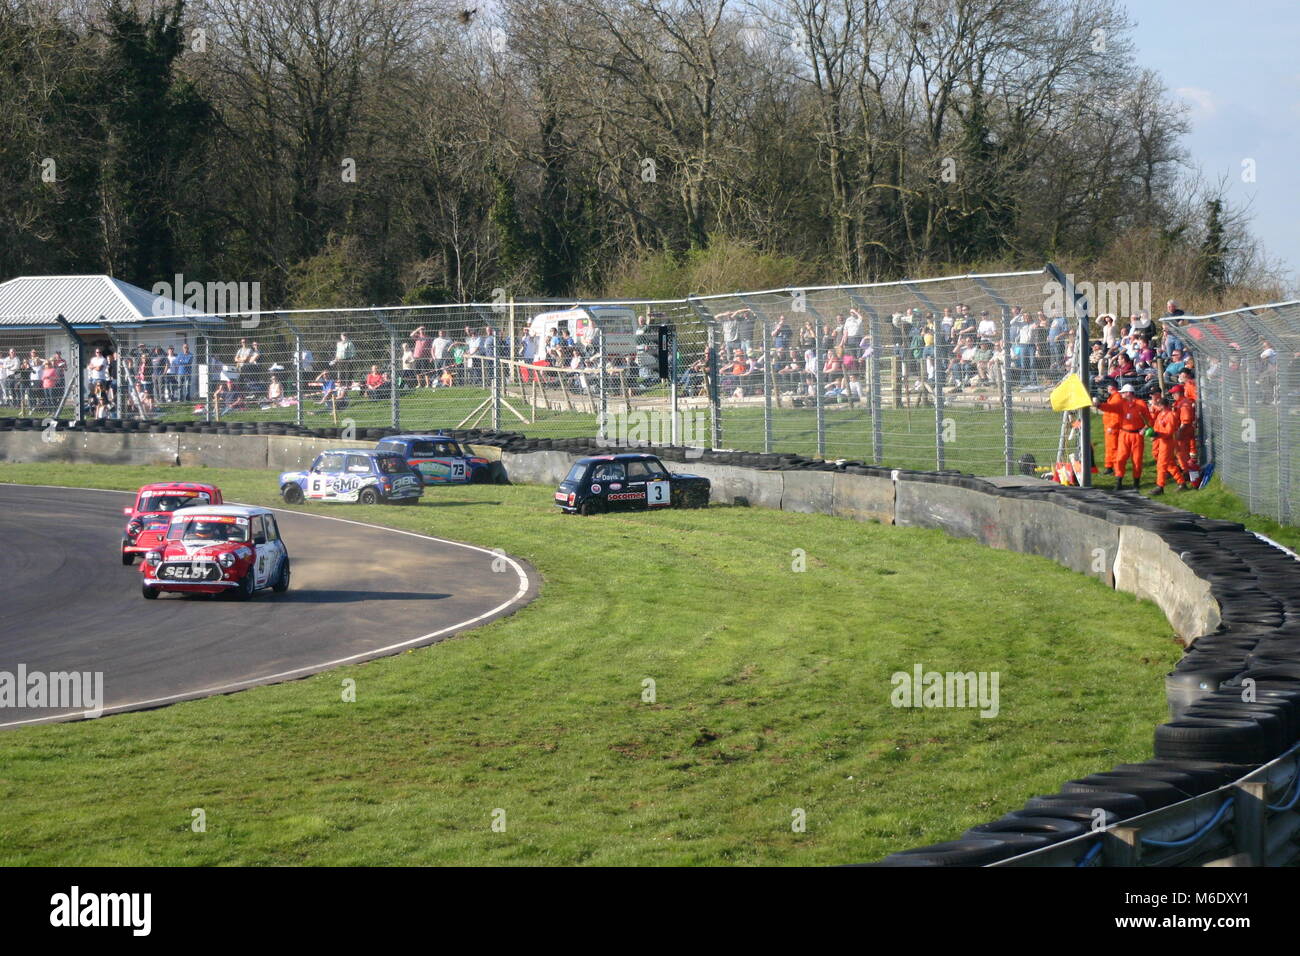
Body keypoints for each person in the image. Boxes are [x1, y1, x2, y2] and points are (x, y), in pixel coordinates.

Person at [1094, 383, 1152, 490]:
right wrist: (1099, 405)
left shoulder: (1141, 404)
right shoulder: (1122, 404)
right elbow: (1111, 408)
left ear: (1129, 393)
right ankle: (1119, 481)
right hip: (1124, 434)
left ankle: (1136, 483)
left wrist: (1144, 429)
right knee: (1120, 458)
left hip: (1136, 436)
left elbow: (1149, 419)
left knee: (1137, 460)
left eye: (1124, 393)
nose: (1122, 395)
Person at [1148, 392, 1188, 495]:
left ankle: (1160, 486)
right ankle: (1182, 483)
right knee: (1170, 464)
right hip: (1162, 441)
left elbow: (1169, 431)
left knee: (1161, 465)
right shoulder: (1161, 414)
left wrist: (1157, 434)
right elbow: (1157, 427)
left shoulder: (1171, 415)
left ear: (1162, 405)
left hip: (1168, 442)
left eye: (1158, 405)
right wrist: (1153, 434)